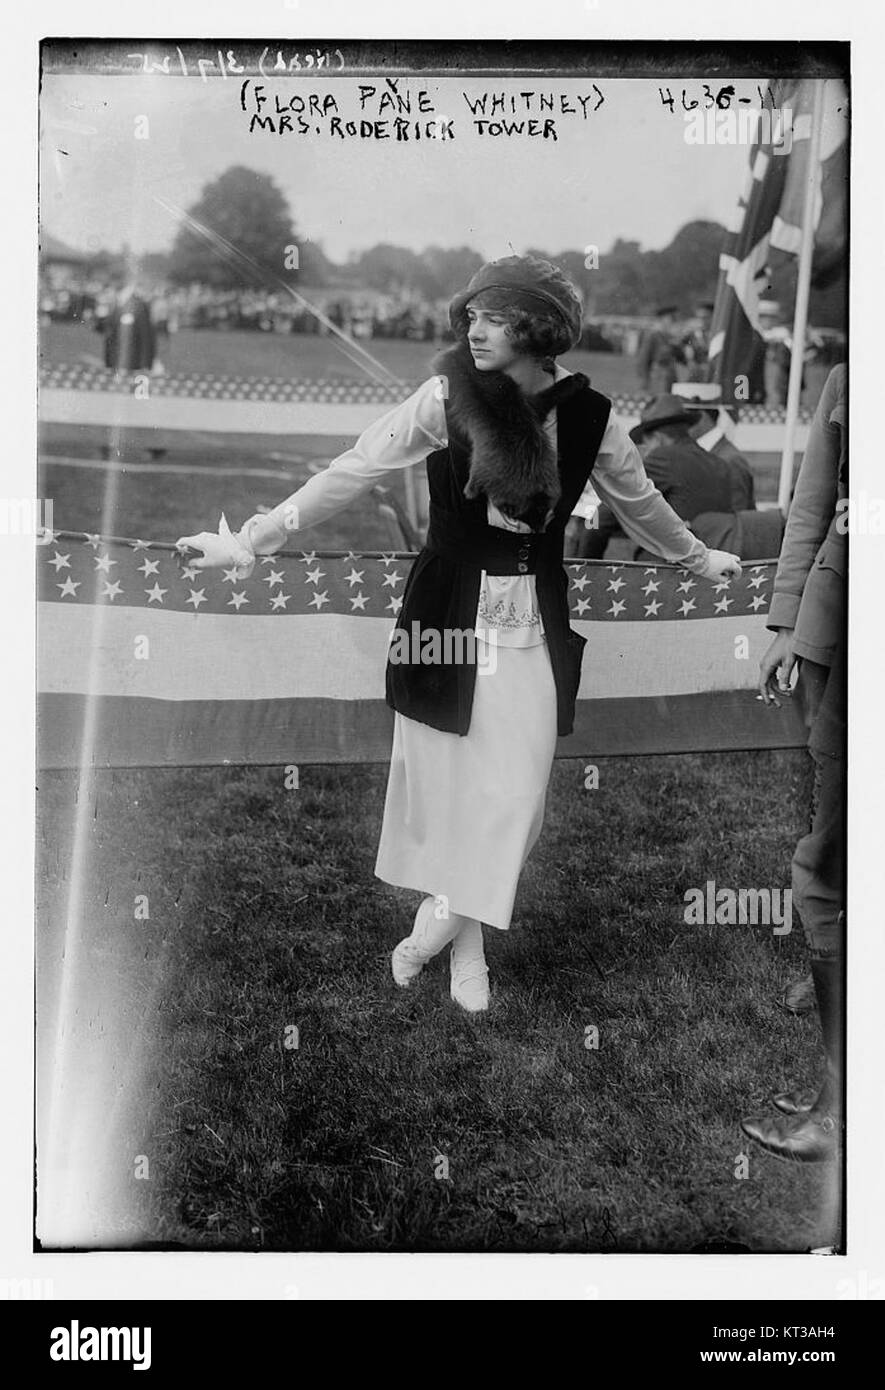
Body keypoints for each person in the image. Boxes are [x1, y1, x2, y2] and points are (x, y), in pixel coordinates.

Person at [178, 256, 741, 1015]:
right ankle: (465, 951)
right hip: (444, 616)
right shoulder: (443, 396)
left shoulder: (591, 416)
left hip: (532, 620)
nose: (474, 329)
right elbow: (354, 469)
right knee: (452, 794)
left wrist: (697, 556)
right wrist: (251, 540)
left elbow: (638, 502)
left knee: (517, 796)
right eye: (470, 316)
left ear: (537, 329)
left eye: (494, 317)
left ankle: (437, 922)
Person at [741, 363, 846, 1162]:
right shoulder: (850, 374)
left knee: (827, 869)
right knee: (833, 850)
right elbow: (811, 506)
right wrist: (786, 620)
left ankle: (840, 1113)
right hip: (838, 632)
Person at [636, 306, 685, 395]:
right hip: (658, 377)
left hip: (671, 376)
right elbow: (643, 360)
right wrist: (644, 381)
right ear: (662, 319)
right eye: (671, 319)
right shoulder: (653, 336)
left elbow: (681, 359)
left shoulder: (671, 337)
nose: (674, 322)